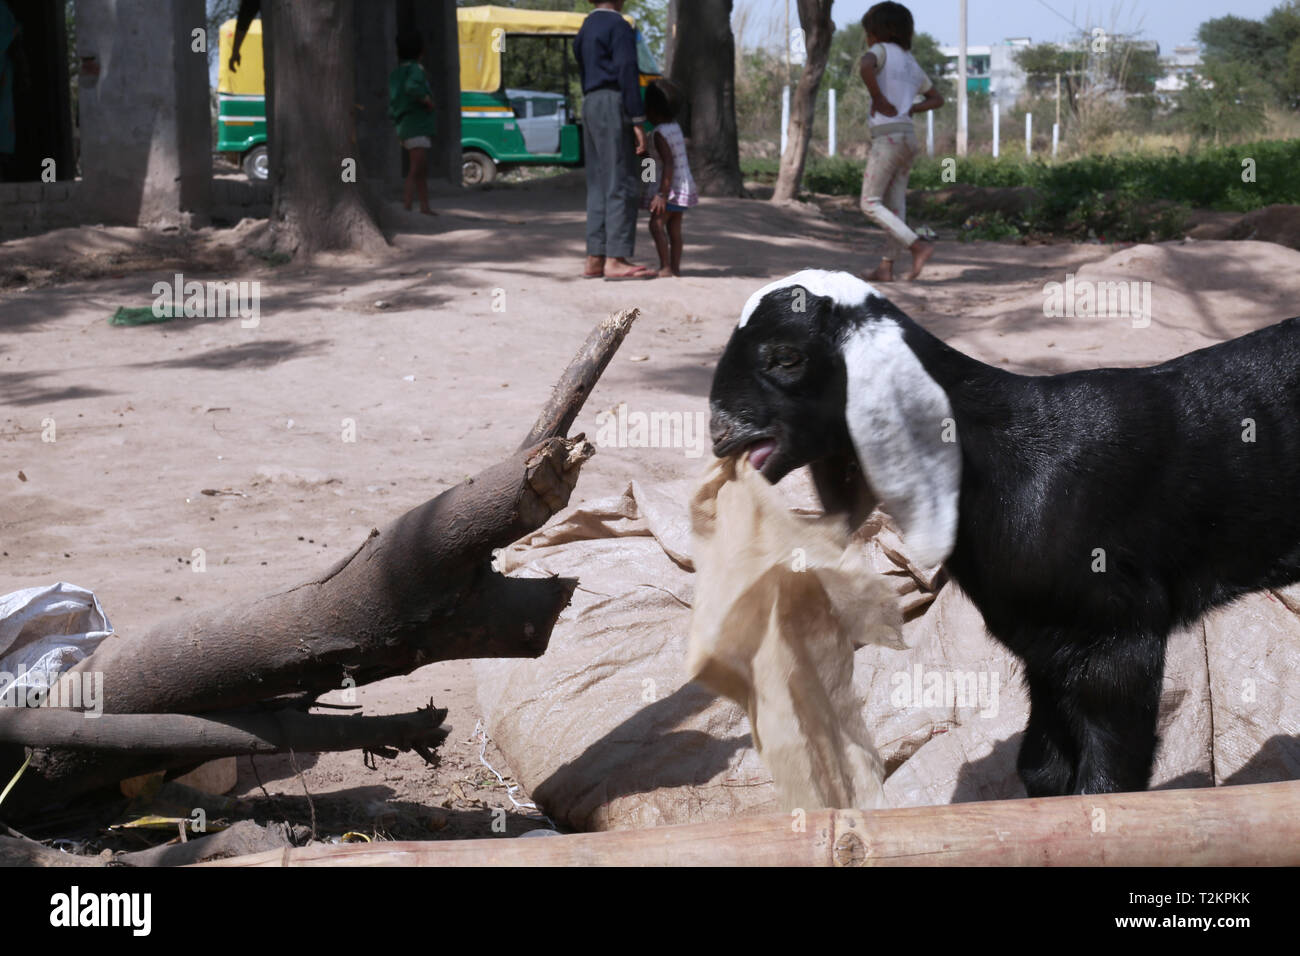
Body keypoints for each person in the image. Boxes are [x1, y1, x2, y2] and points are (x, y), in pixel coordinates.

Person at [857, 2, 944, 282]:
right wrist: (910, 109)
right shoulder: (910, 61)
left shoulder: (880, 51)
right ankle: (886, 267)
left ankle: (917, 246)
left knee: (869, 203)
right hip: (908, 138)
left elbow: (865, 65)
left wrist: (880, 100)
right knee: (895, 206)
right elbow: (936, 98)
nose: (867, 38)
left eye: (868, 32)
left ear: (879, 31)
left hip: (888, 138)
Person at [574, 1, 653, 280]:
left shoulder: (586, 26)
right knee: (621, 179)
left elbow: (582, 67)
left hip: (591, 102)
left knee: (598, 181)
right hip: (613, 102)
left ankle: (595, 257)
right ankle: (615, 259)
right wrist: (637, 119)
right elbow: (627, 70)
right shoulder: (619, 25)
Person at [641, 80, 697, 277]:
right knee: (674, 229)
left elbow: (667, 163)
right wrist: (645, 159)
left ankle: (665, 268)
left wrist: (661, 194)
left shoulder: (658, 134)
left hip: (670, 189)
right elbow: (654, 161)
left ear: (653, 110)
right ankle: (675, 268)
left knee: (655, 225)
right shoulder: (674, 127)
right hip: (683, 187)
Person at [388, 30, 437, 215]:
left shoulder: (396, 73)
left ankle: (425, 206)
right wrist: (427, 100)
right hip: (416, 125)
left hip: (405, 125)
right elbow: (412, 87)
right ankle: (407, 205)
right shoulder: (416, 70)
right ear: (421, 52)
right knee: (416, 168)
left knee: (421, 169)